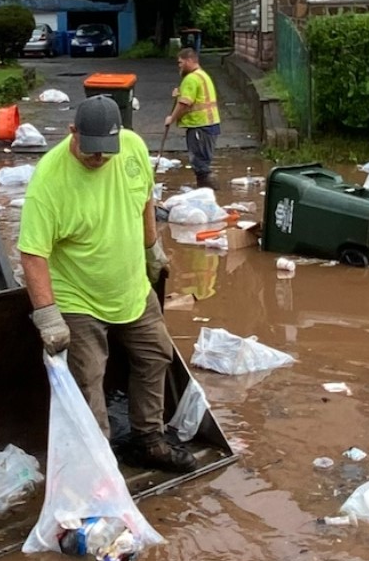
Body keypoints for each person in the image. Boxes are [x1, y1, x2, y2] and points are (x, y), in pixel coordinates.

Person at [20, 97, 197, 473]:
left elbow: (145, 197)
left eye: (106, 151)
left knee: (156, 356)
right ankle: (98, 467)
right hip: (79, 297)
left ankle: (148, 440)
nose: (99, 158)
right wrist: (49, 317)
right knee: (88, 380)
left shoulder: (131, 148)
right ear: (73, 133)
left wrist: (152, 248)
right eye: (91, 150)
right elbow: (33, 254)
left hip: (131, 286)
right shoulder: (49, 182)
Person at [164, 48, 221, 189]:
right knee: (203, 160)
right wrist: (178, 95)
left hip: (199, 125)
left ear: (189, 60)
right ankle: (207, 191)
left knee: (199, 163)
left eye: (181, 62)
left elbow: (185, 103)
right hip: (209, 124)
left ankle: (208, 191)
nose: (179, 66)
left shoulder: (190, 78)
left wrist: (171, 118)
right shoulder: (202, 75)